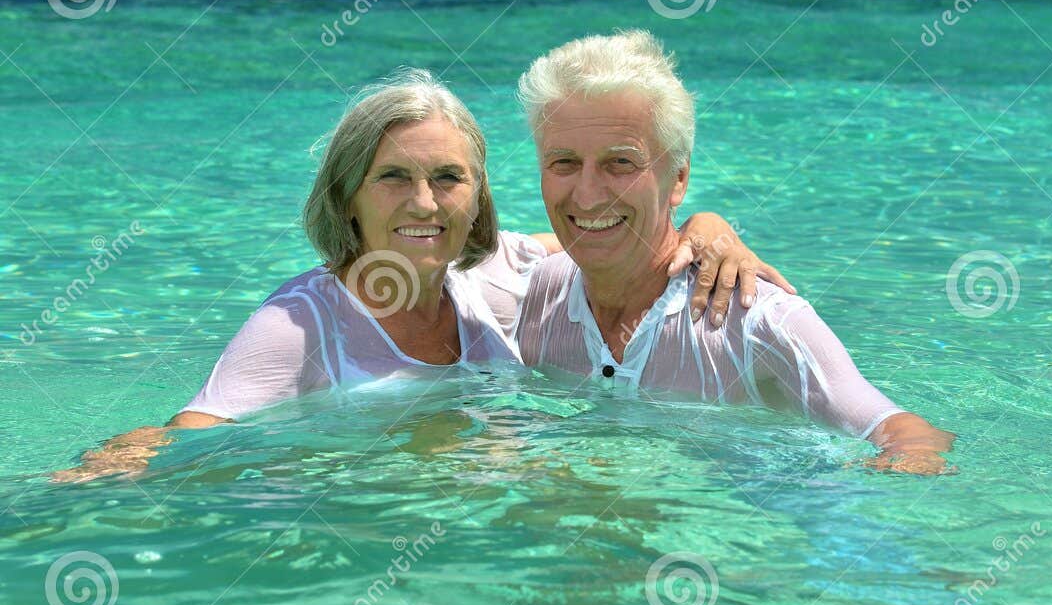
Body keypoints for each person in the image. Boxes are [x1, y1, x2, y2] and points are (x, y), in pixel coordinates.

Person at [54, 71, 788, 481]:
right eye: (393, 178)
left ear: (476, 198)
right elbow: (188, 438)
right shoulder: (300, 326)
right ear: (348, 194)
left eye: (447, 177)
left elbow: (618, 234)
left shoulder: (500, 275)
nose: (425, 203)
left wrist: (708, 228)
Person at [515, 31, 955, 475]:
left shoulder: (756, 319)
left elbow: (907, 433)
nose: (588, 196)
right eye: (564, 163)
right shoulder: (526, 297)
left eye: (621, 163)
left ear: (679, 179)